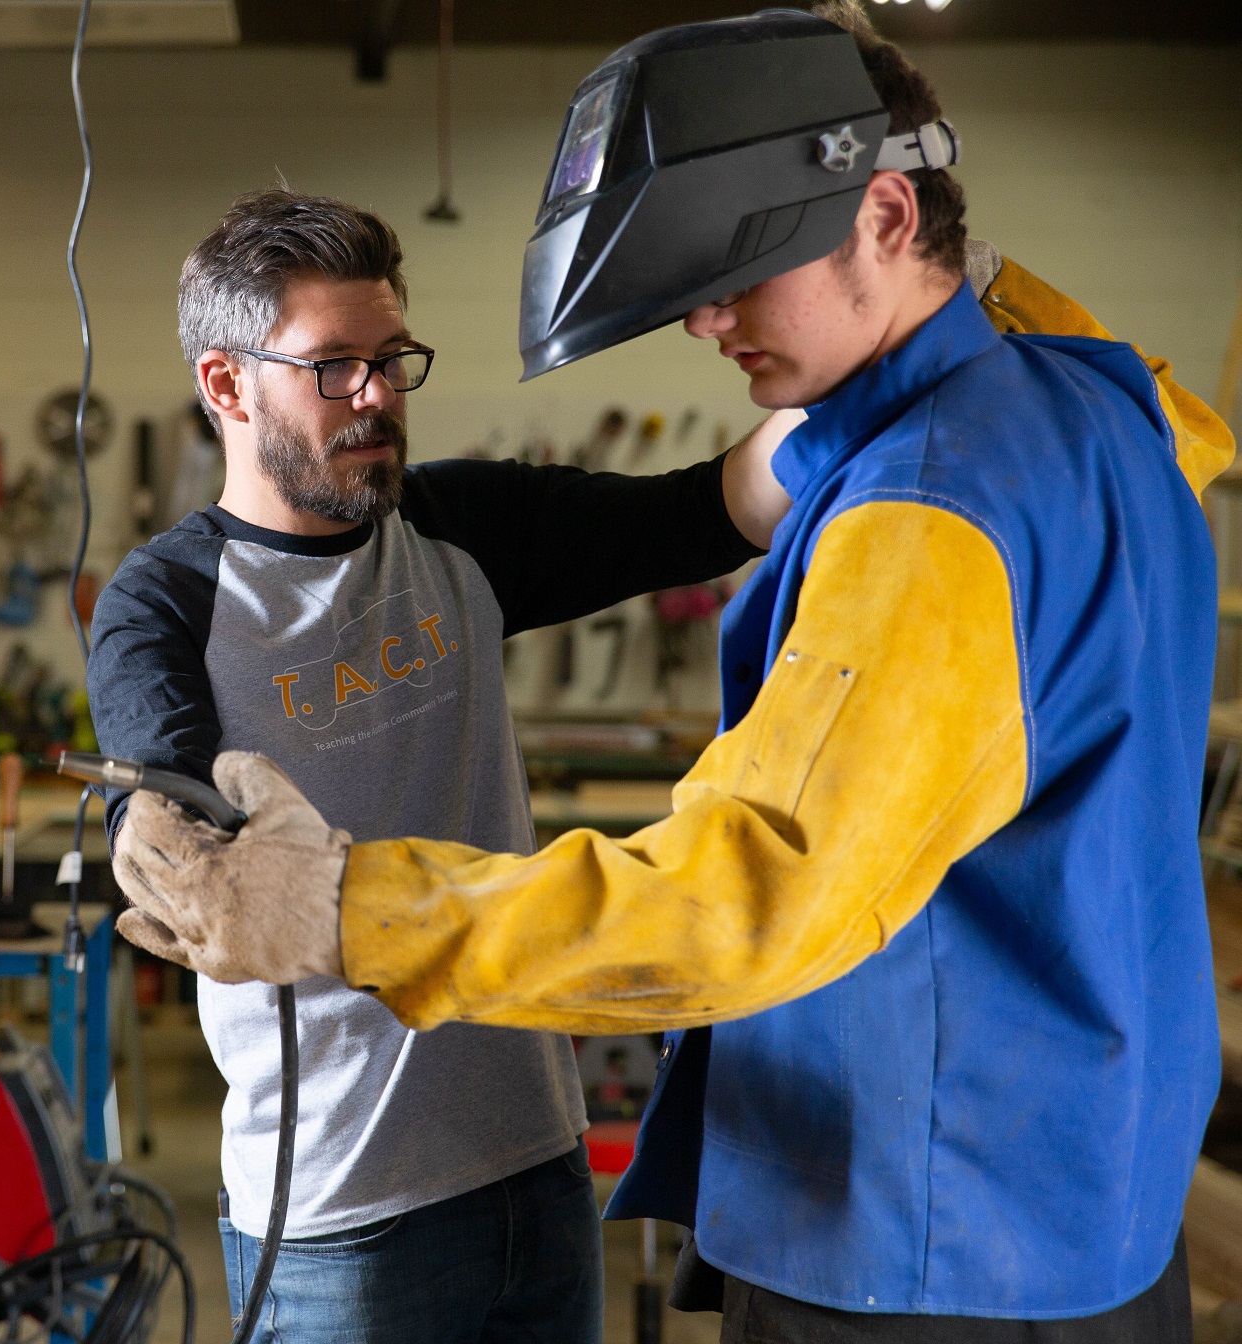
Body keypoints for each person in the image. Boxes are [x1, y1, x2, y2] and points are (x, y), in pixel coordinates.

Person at [105, 6, 1236, 1342]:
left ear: (884, 217)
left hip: (921, 1237)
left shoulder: (926, 512)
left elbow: (738, 896)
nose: (707, 321)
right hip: (1074, 1207)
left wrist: (356, 906)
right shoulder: (1098, 407)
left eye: (742, 270)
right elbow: (1171, 417)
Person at [86, 188, 788, 1344]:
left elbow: (715, 507)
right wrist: (162, 848)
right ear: (226, 385)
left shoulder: (458, 531)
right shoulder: (167, 602)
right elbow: (163, 824)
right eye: (333, 367)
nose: (375, 397)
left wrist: (898, 338)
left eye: (391, 359)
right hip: (340, 1222)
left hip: (541, 1168)